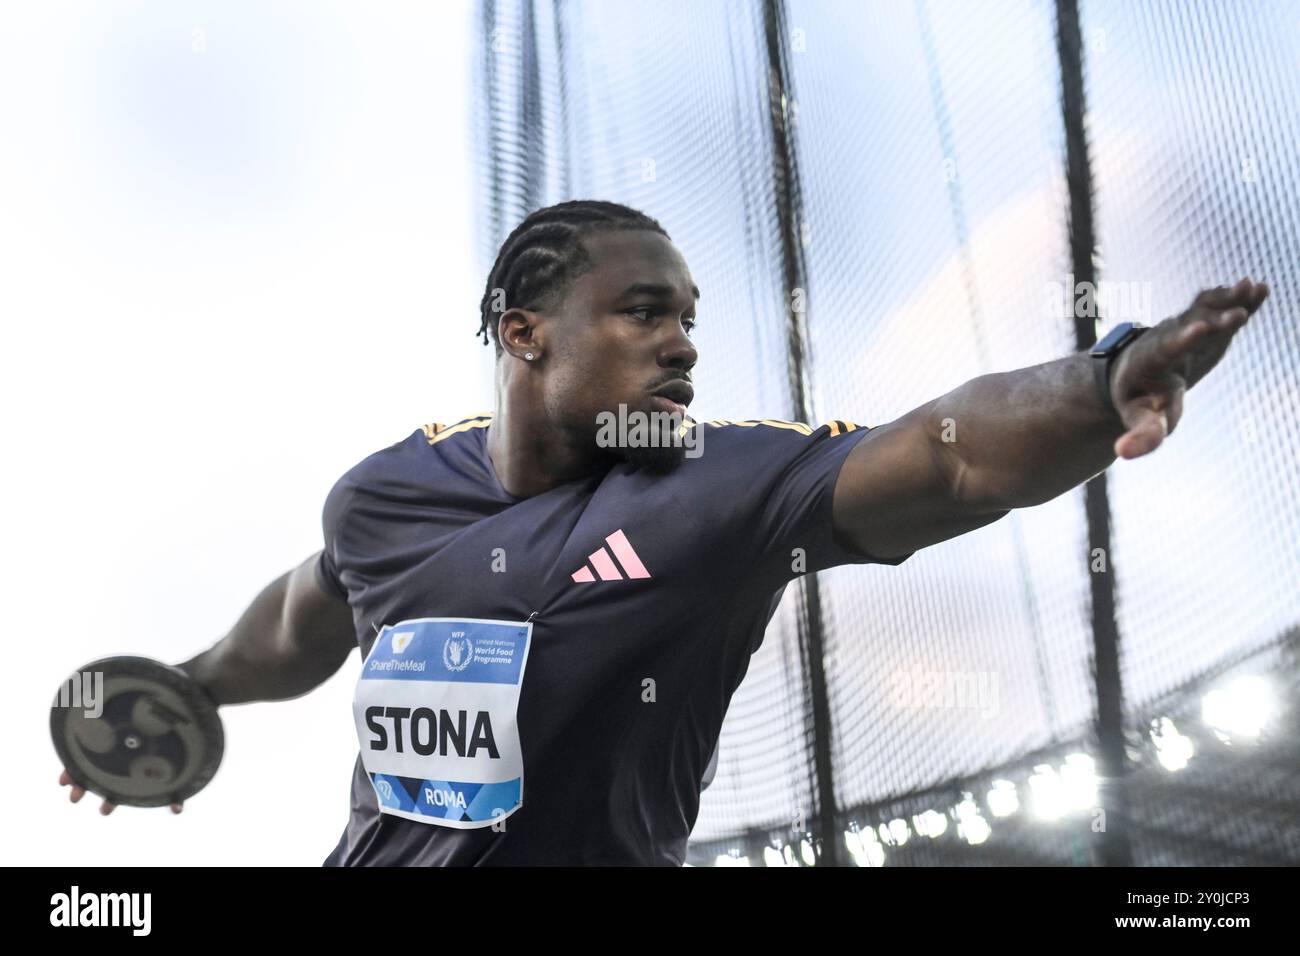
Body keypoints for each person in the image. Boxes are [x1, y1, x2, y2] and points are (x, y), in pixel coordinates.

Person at [58, 199, 1270, 865]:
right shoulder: (388, 494)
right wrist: (190, 686)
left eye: (687, 316)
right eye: (643, 312)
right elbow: (296, 621)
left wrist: (1103, 378)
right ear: (524, 330)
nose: (682, 341)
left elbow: (943, 455)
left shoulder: (717, 483)